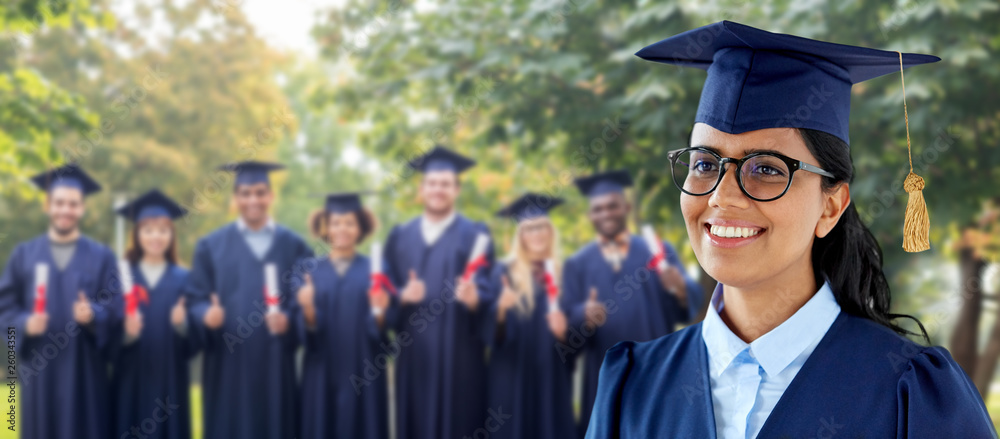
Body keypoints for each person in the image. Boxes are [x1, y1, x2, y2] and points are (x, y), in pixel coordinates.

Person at [585, 21, 996, 437]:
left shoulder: (909, 391)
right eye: (705, 164)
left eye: (765, 168)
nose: (722, 197)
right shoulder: (633, 384)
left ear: (830, 206)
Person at [563, 169, 704, 435]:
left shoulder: (657, 252)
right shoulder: (577, 265)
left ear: (625, 207)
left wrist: (680, 289)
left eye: (612, 206)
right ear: (590, 214)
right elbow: (566, 326)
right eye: (598, 209)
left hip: (656, 370)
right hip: (602, 376)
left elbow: (687, 308)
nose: (605, 213)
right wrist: (583, 315)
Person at [184, 161, 314, 439]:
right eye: (244, 193)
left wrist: (290, 320)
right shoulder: (210, 246)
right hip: (227, 362)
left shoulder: (296, 247)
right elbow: (195, 298)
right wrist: (205, 314)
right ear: (235, 198)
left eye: (259, 192)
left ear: (271, 196)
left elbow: (304, 302)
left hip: (275, 363)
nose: (252, 200)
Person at [0, 164, 122, 439]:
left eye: (73, 204)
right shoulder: (24, 255)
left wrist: (94, 314)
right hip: (39, 374)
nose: (65, 210)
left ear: (83, 208)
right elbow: (4, 310)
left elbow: (116, 309)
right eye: (59, 203)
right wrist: (23, 323)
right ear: (47, 205)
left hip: (86, 376)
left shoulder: (101, 256)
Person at [382, 145, 495, 439]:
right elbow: (384, 295)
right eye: (432, 184)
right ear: (421, 189)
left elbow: (487, 289)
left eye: (445, 184)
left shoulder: (476, 236)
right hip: (415, 357)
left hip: (462, 358)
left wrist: (475, 299)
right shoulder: (399, 237)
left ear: (457, 189)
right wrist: (401, 296)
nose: (438, 190)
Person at [294, 192, 393, 439]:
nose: (342, 229)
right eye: (336, 222)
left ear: (361, 228)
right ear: (325, 227)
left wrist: (380, 310)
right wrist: (307, 307)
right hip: (321, 371)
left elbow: (383, 330)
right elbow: (305, 332)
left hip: (364, 368)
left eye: (350, 223)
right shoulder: (307, 271)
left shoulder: (377, 270)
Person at [481, 193, 576, 439]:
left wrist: (565, 333)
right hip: (511, 375)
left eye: (541, 227)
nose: (536, 234)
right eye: (529, 228)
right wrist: (500, 310)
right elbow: (487, 331)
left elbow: (577, 338)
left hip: (551, 377)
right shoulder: (502, 272)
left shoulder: (564, 274)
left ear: (550, 231)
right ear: (520, 235)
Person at [111, 189, 198, 439]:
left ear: (172, 234)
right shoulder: (120, 279)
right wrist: (126, 334)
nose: (155, 237)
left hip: (170, 379)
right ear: (136, 235)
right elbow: (105, 335)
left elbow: (196, 342)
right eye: (147, 230)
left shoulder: (186, 279)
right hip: (130, 379)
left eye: (163, 230)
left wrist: (183, 325)